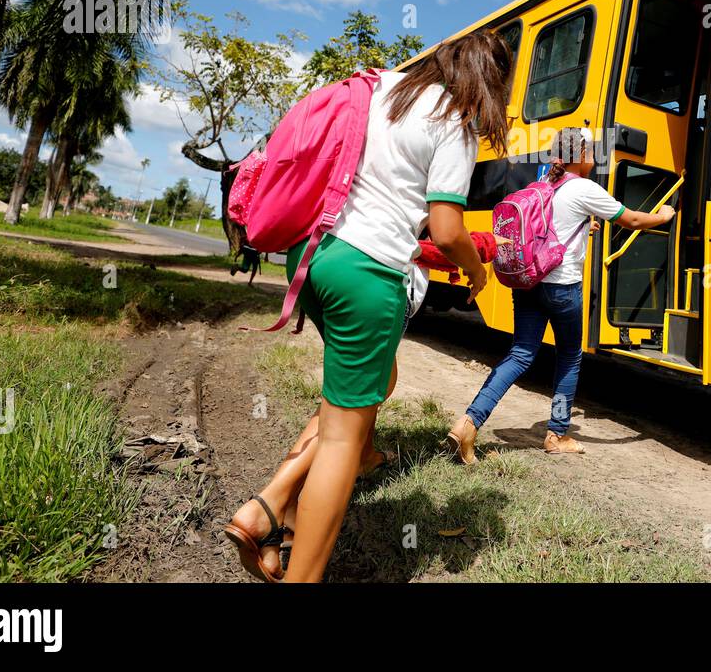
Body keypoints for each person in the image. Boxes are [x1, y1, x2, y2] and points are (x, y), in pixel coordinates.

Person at [222, 28, 512, 583]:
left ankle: (273, 509)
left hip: (313, 258)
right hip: (368, 274)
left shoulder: (379, 88)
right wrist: (476, 272)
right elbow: (448, 229)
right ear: (488, 82)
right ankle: (290, 556)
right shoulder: (455, 121)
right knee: (343, 440)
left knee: (358, 397)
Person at [447, 126, 675, 463]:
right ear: (580, 156)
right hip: (562, 288)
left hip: (529, 283)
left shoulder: (542, 185)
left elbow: (552, 226)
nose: (597, 155)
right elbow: (633, 220)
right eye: (592, 150)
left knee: (521, 353)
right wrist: (664, 215)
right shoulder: (585, 188)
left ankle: (468, 423)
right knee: (569, 356)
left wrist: (586, 226)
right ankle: (557, 433)